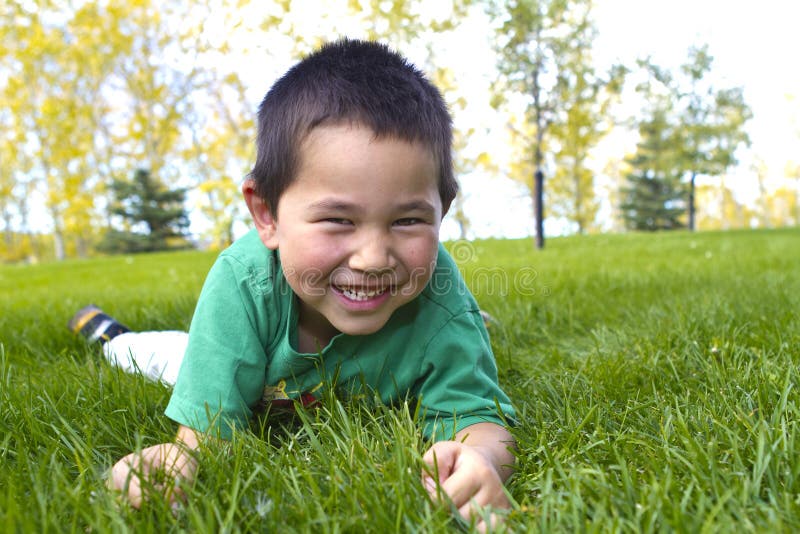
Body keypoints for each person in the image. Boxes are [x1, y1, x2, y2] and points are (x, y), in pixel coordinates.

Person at [73, 39, 516, 529]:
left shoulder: (441, 299)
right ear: (267, 215)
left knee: (459, 326)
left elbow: (480, 422)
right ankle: (112, 336)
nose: (373, 259)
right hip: (244, 361)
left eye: (408, 220)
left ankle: (473, 323)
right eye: (337, 220)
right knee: (166, 358)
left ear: (442, 211)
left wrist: (480, 460)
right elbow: (206, 440)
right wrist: (182, 459)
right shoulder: (242, 284)